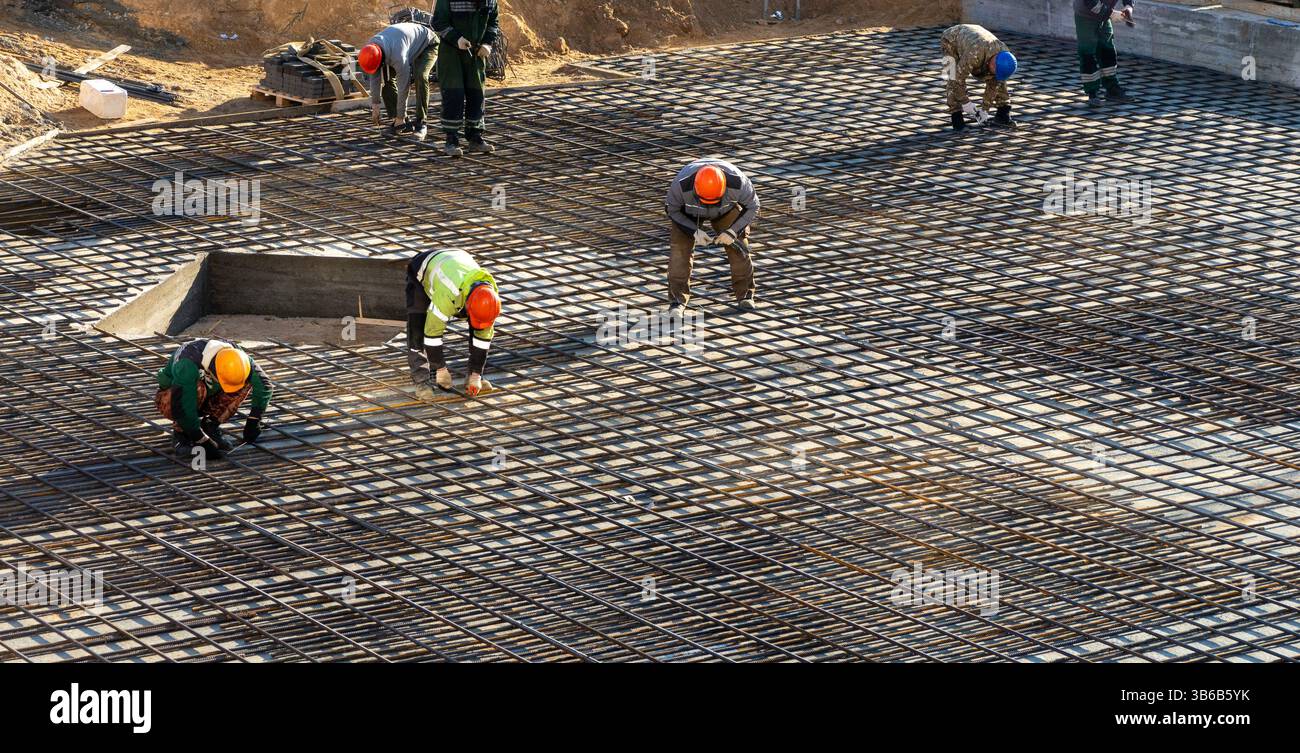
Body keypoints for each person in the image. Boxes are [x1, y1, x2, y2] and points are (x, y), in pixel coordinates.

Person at [665, 158, 760, 312]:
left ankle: (745, 296)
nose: (709, 204)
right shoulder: (681, 185)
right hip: (688, 213)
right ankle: (677, 302)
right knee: (680, 251)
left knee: (738, 246)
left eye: (713, 200)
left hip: (725, 210)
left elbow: (753, 206)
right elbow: (672, 210)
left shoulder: (739, 182)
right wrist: (692, 231)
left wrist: (732, 231)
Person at [405, 249, 501, 399]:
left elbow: (483, 338)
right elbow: (432, 334)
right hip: (424, 267)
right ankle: (421, 381)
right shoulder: (448, 294)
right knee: (418, 326)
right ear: (467, 303)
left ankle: (472, 376)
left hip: (456, 261)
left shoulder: (490, 298)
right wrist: (441, 369)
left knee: (478, 325)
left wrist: (476, 374)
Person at [154, 339, 272, 459]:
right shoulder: (187, 363)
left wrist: (254, 418)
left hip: (205, 397)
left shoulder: (236, 357)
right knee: (197, 387)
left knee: (242, 380)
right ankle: (181, 436)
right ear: (213, 371)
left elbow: (264, 383)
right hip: (175, 400)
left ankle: (210, 426)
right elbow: (182, 406)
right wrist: (200, 439)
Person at [433, 0, 501, 157]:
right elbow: (438, 22)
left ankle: (475, 137)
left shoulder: (490, 1)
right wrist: (457, 38)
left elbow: (493, 22)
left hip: (476, 53)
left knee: (476, 94)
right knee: (454, 94)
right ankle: (451, 139)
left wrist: (488, 43)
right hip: (452, 54)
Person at [359, 21, 437, 141]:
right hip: (405, 44)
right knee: (387, 82)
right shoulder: (371, 48)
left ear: (381, 59)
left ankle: (421, 123)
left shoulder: (398, 57)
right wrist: (375, 106)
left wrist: (400, 115)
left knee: (420, 76)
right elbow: (374, 77)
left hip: (428, 43)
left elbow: (403, 88)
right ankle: (403, 122)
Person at [940, 24, 1018, 131]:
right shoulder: (974, 54)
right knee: (953, 76)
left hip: (975, 38)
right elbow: (958, 79)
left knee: (999, 80)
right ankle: (957, 120)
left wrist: (985, 109)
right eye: (995, 70)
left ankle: (1002, 115)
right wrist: (965, 102)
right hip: (950, 40)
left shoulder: (1004, 54)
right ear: (993, 63)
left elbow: (994, 83)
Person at [1074, 0, 1135, 107]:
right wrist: (1111, 13)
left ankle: (1112, 89)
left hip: (1104, 16)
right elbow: (1090, 2)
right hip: (1086, 15)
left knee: (1108, 51)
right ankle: (1092, 93)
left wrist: (1128, 6)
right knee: (1088, 53)